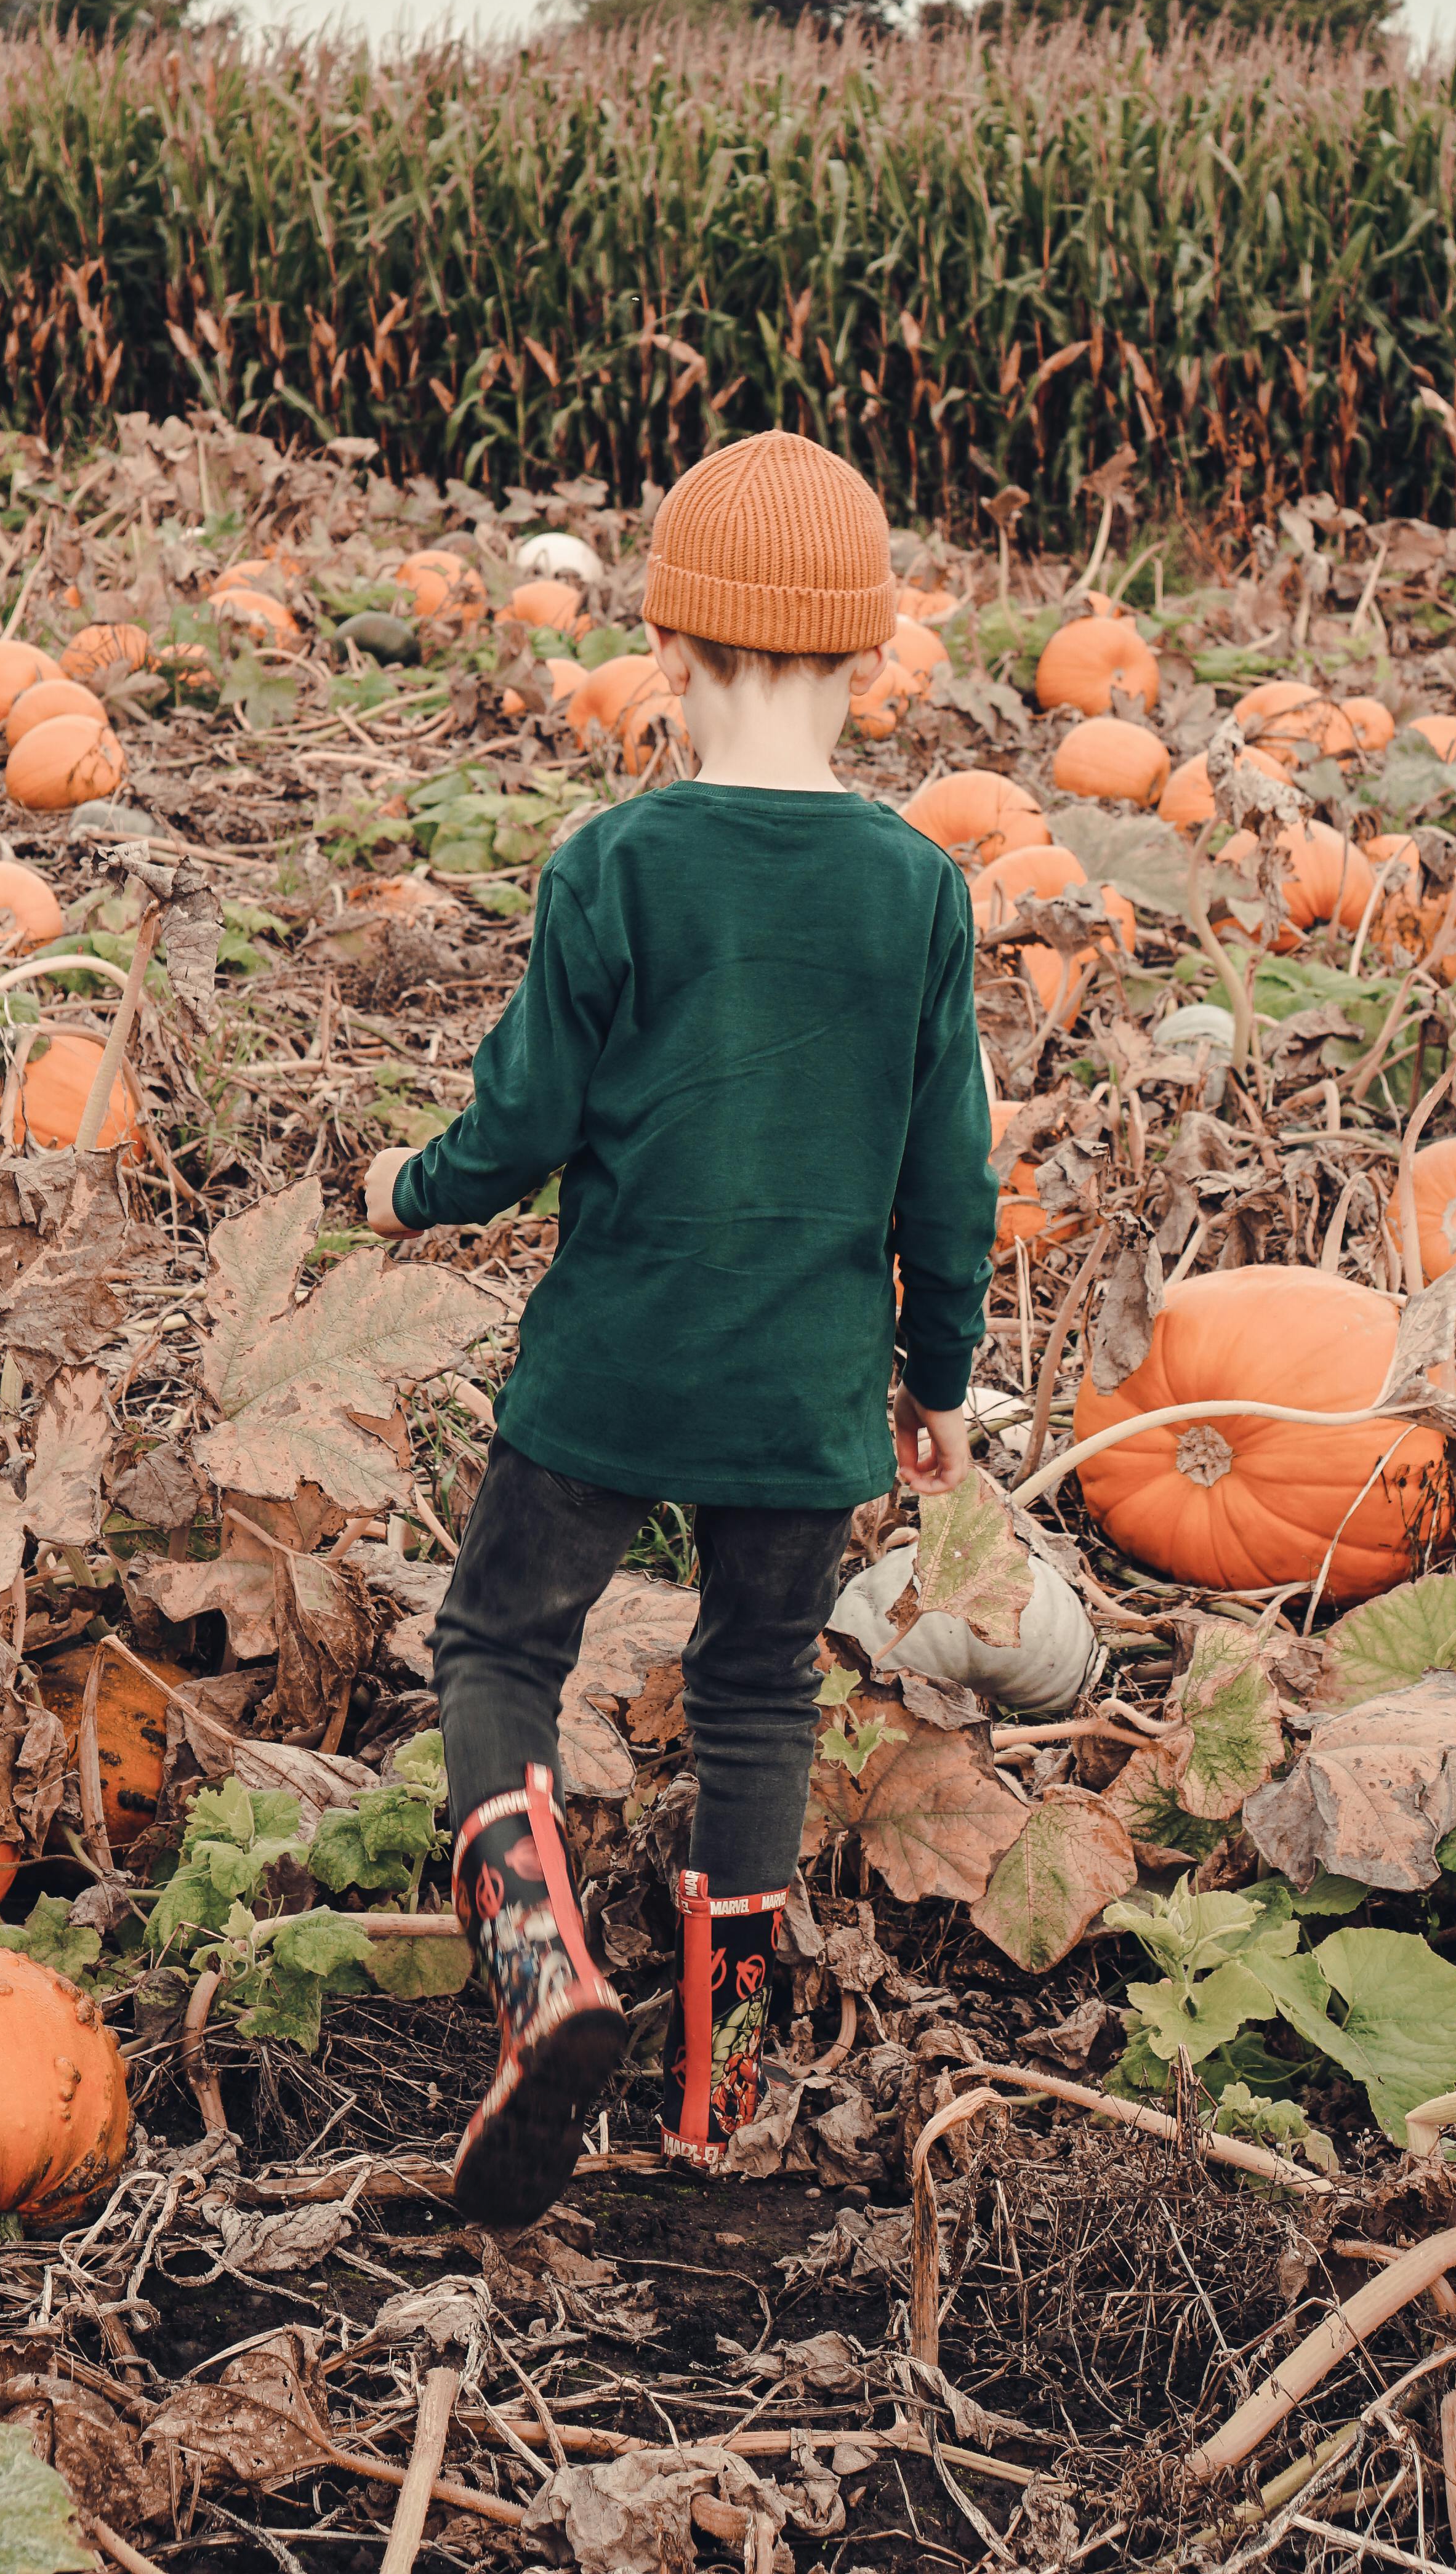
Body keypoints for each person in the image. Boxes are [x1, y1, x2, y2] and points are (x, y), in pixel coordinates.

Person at [364, 431, 995, 2230]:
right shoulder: (918, 887)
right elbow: (950, 1175)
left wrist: (414, 1187)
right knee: (755, 1690)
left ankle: (544, 1970)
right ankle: (713, 2102)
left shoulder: (614, 864)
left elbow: (522, 1126)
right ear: (869, 665)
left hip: (614, 1363)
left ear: (671, 652)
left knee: (497, 1645)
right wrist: (932, 1376)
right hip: (804, 1395)